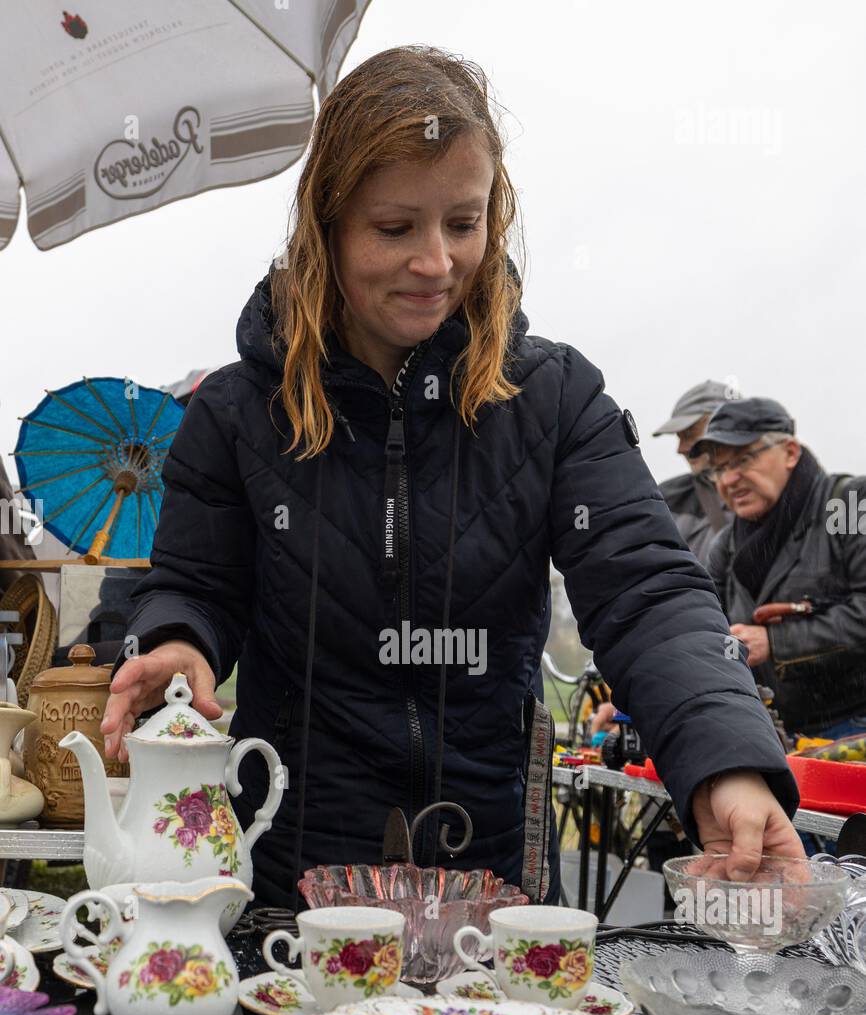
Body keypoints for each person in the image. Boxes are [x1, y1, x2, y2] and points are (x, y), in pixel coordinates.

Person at [101, 45, 803, 912]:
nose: (435, 263)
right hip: (287, 875)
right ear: (327, 227)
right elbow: (196, 585)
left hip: (483, 881)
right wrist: (179, 645)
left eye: (463, 224)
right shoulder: (240, 412)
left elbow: (648, 593)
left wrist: (725, 761)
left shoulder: (553, 400)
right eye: (395, 228)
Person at [702, 397, 866, 739]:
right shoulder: (725, 546)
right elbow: (700, 628)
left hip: (855, 730)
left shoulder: (850, 504)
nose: (729, 479)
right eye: (718, 468)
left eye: (744, 459)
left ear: (790, 452)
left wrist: (775, 642)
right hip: (771, 736)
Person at [653, 380, 739, 568]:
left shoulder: (775, 491)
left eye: (690, 434)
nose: (681, 449)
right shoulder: (664, 498)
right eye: (679, 436)